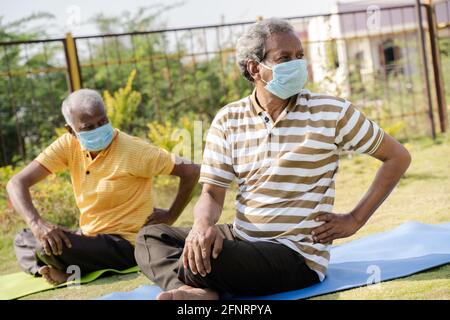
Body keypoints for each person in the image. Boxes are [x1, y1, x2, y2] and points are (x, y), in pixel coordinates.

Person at [134, 18, 411, 300]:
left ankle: (199, 283)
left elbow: (397, 157)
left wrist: (355, 219)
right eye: (285, 58)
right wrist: (202, 226)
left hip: (295, 254)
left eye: (299, 56)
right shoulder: (228, 119)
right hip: (242, 239)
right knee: (151, 238)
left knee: (210, 257)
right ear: (255, 68)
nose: (297, 64)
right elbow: (212, 194)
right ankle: (192, 290)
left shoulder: (332, 112)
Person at [6, 89, 200, 285]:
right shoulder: (68, 145)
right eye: (88, 127)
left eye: (102, 122)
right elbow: (16, 183)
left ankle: (63, 268)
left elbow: (191, 170)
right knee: (24, 238)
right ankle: (55, 268)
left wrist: (170, 215)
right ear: (71, 131)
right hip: (89, 237)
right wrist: (36, 223)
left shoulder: (134, 151)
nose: (98, 129)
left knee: (46, 247)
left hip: (127, 244)